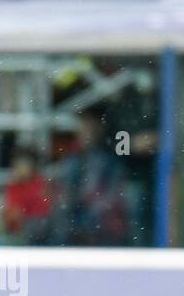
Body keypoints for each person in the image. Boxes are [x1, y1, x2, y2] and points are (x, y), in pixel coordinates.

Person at [52, 105, 131, 246]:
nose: (85, 132)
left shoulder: (111, 160)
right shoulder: (73, 161)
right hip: (77, 220)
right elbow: (67, 195)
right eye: (83, 128)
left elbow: (113, 196)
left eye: (90, 128)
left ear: (99, 129)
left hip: (101, 224)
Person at [1, 146, 55, 244]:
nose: (19, 169)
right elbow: (9, 212)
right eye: (17, 165)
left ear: (32, 166)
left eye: (23, 165)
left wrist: (19, 216)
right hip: (16, 232)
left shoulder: (41, 184)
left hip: (37, 232)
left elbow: (43, 214)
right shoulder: (13, 185)